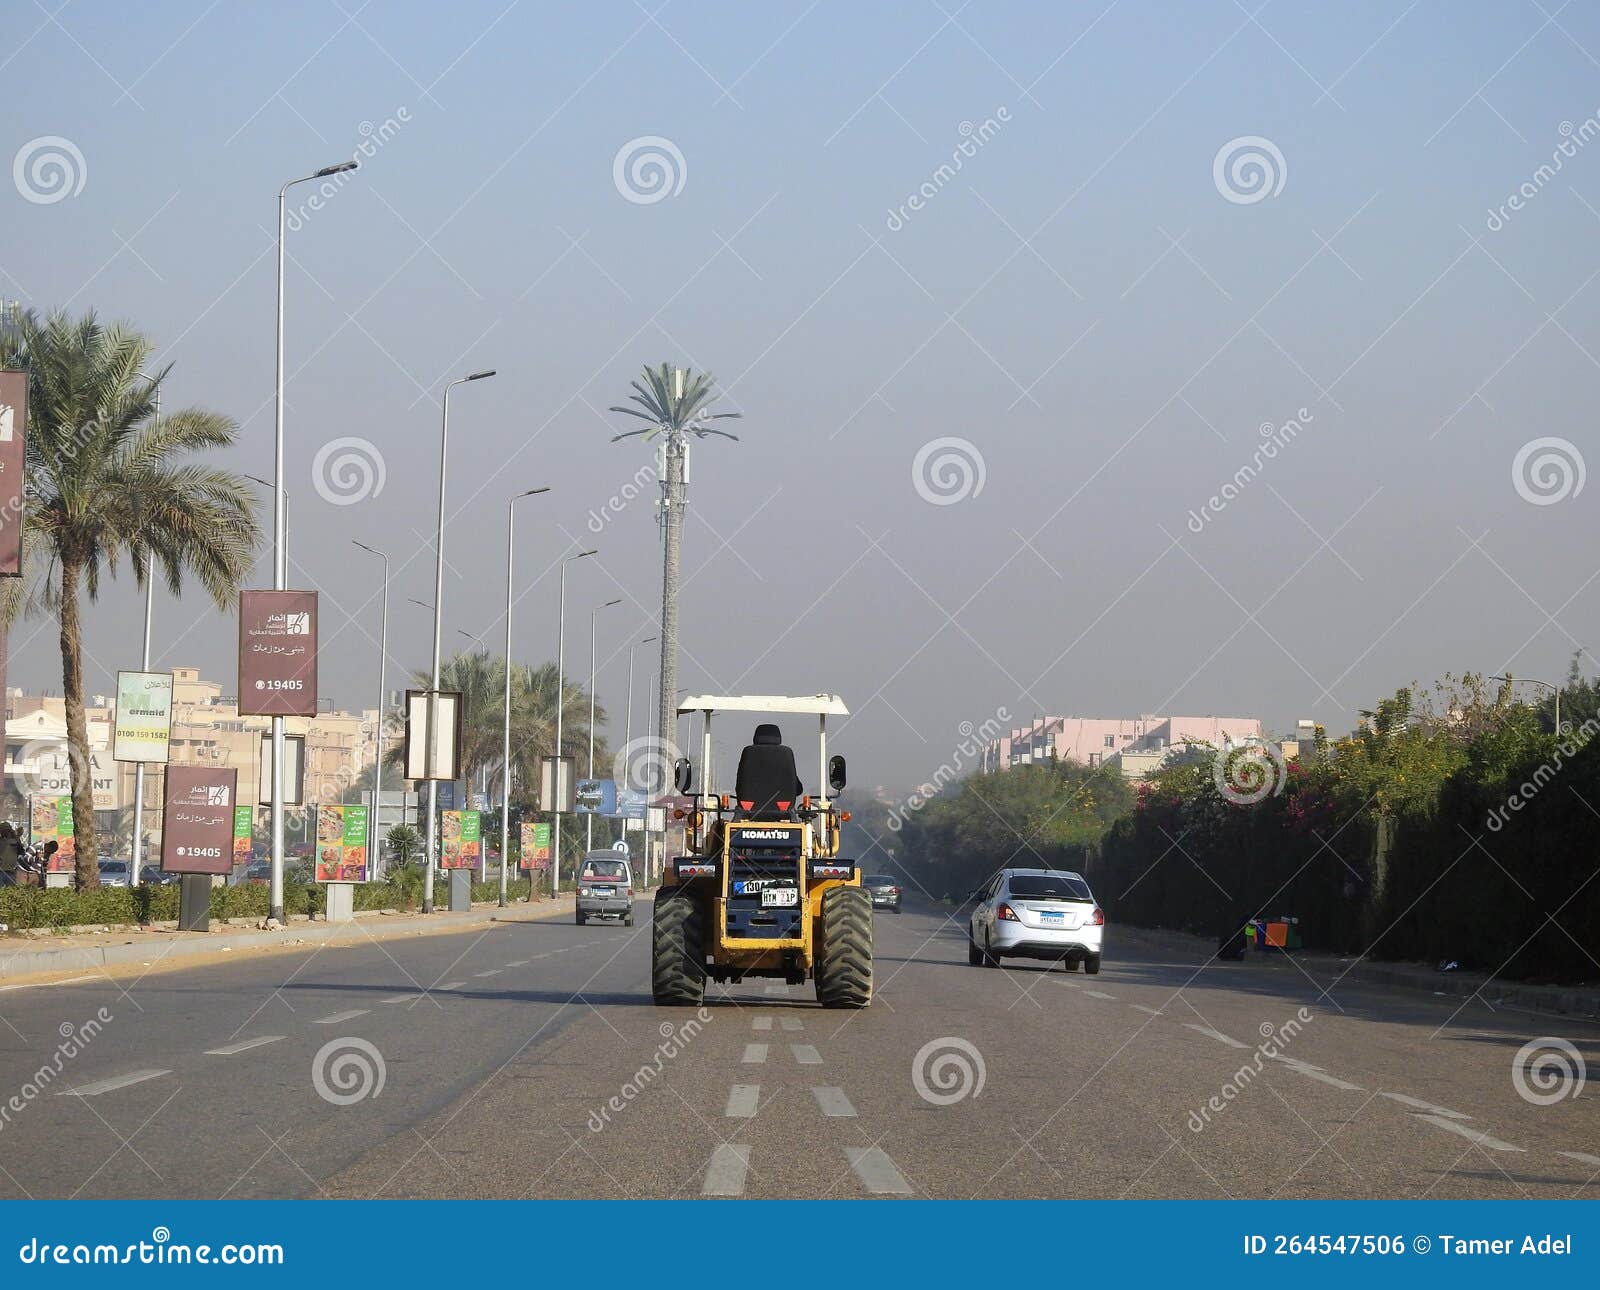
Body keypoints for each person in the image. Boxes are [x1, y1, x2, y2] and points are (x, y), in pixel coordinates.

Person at [734, 723, 804, 817]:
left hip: (749, 811)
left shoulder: (748, 752)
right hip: (783, 812)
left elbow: (739, 785)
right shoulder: (786, 754)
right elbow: (798, 789)